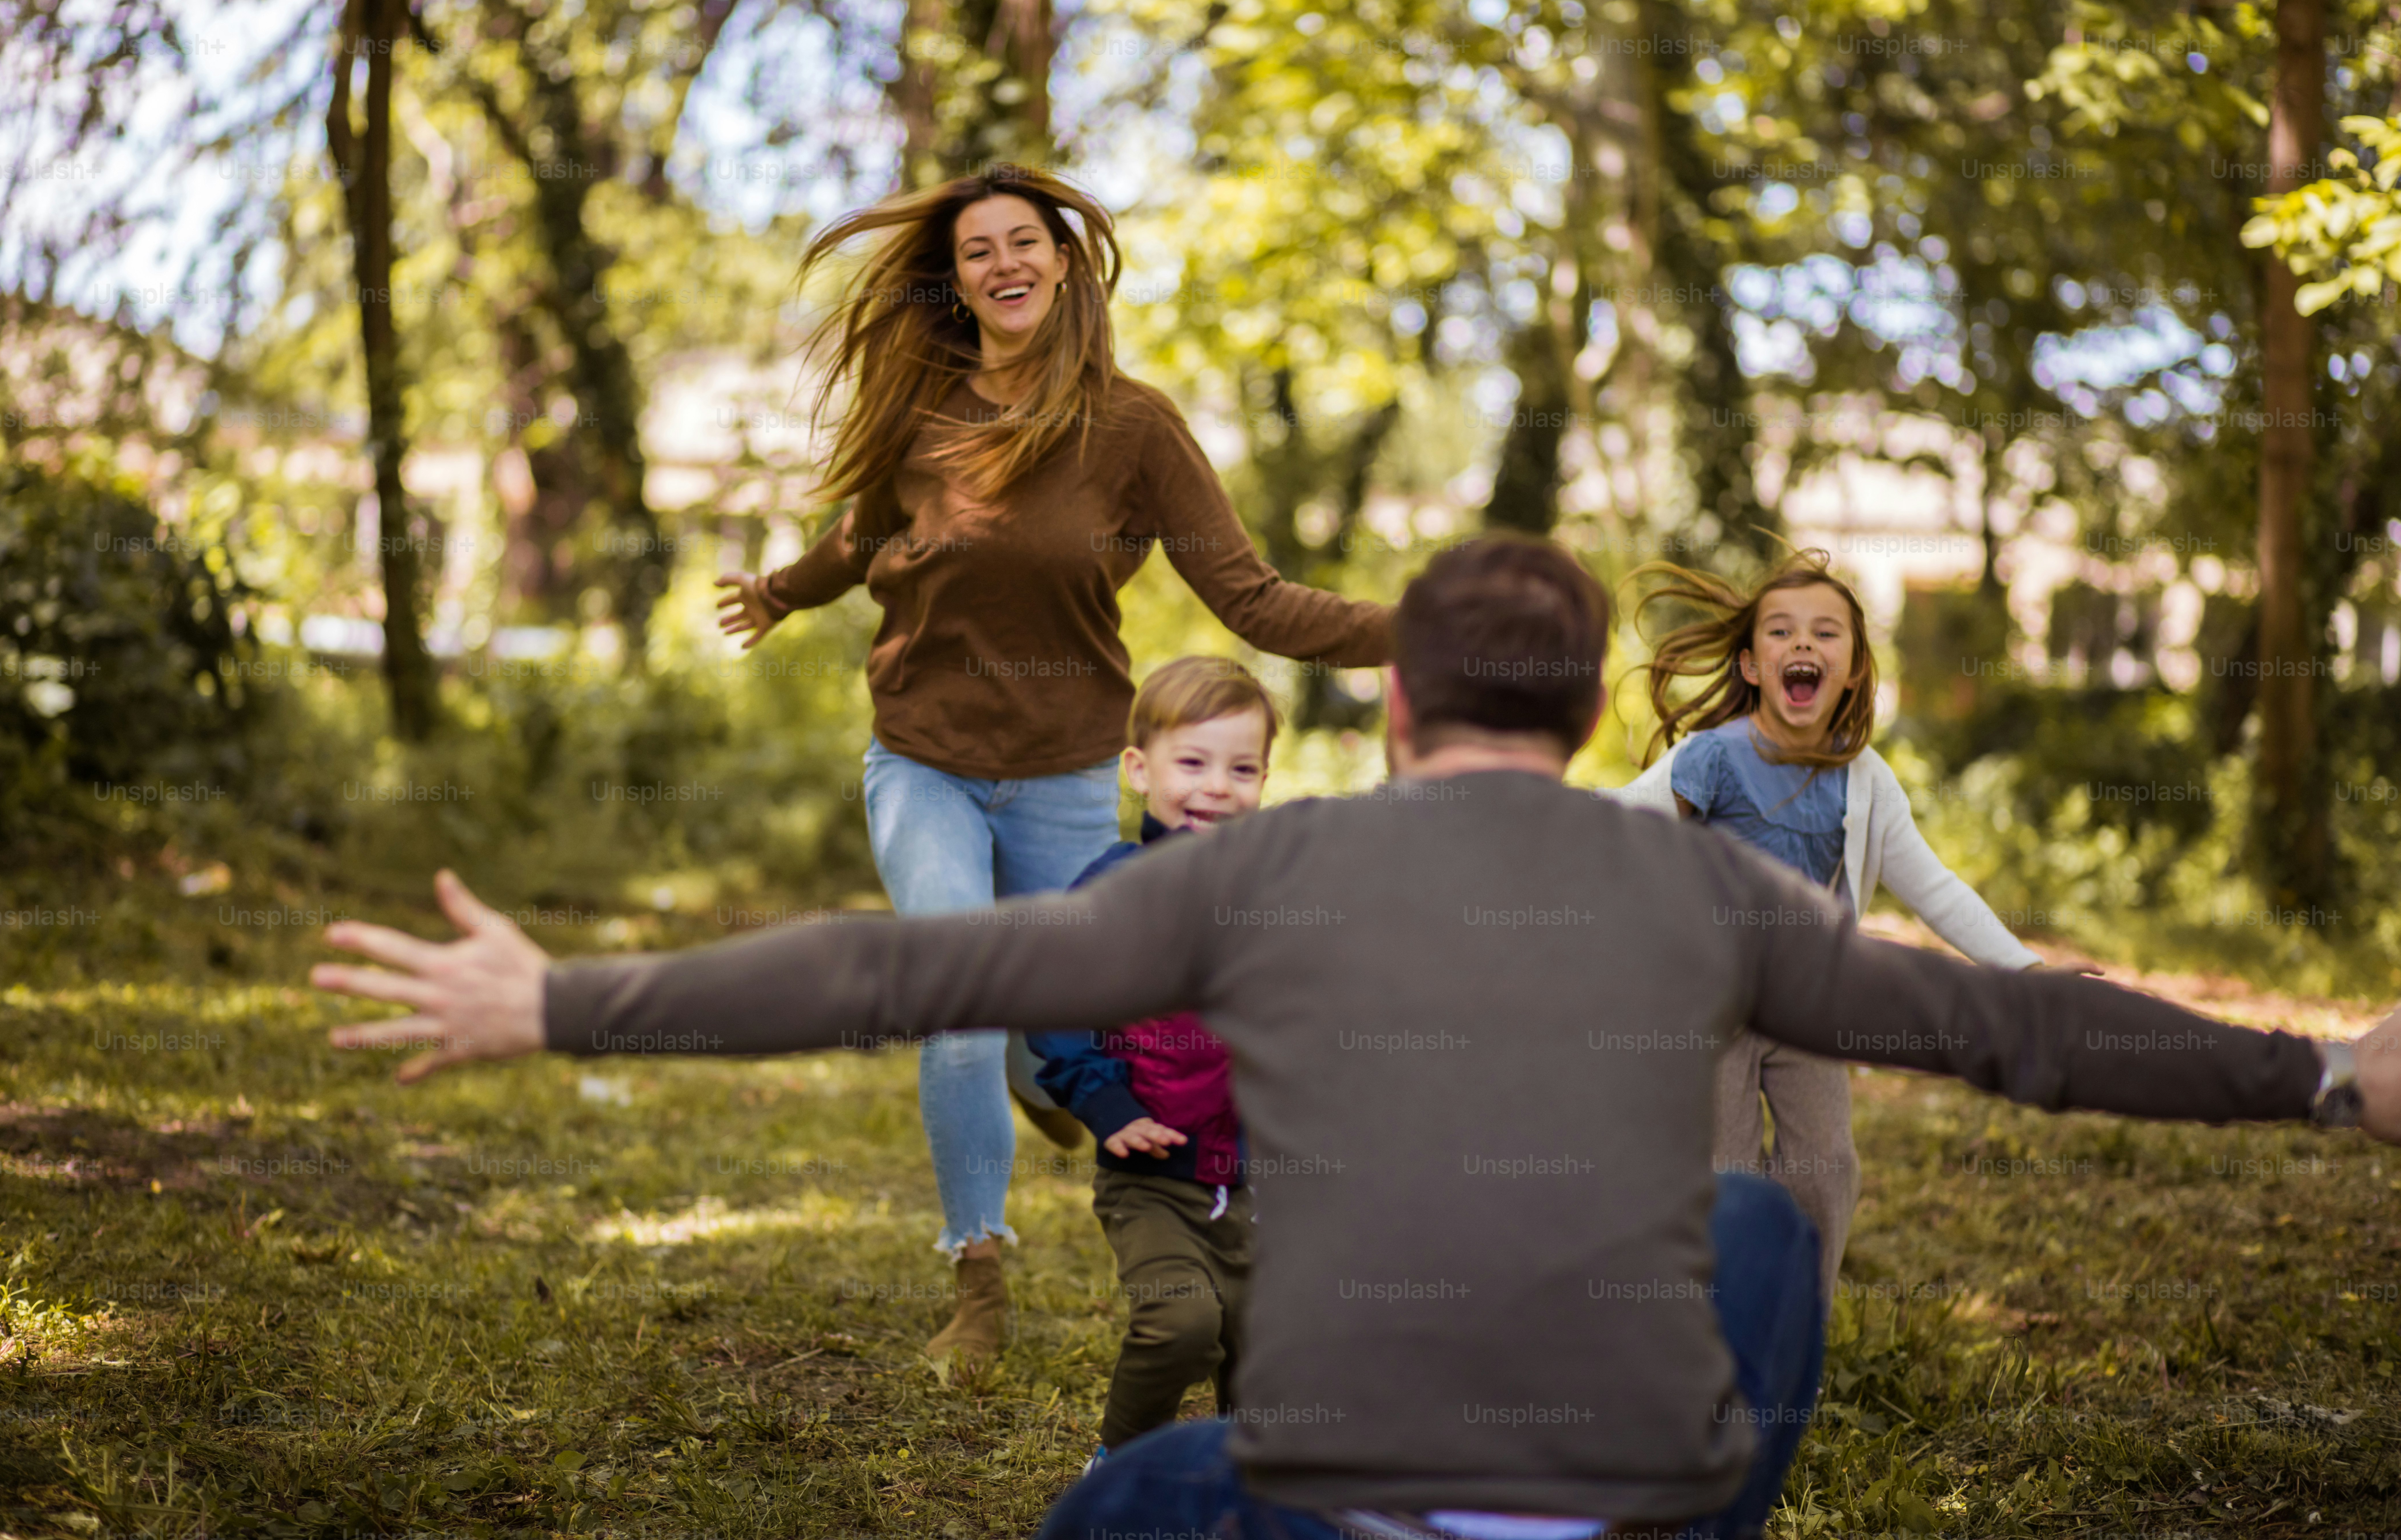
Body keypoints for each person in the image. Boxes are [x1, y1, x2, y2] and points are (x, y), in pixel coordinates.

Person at [313, 535, 2381, 1540]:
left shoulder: (1257, 877)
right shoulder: (1712, 887)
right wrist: (2321, 1071)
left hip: (1335, 1508)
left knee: (1108, 1512)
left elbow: (897, 970)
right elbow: (2018, 1027)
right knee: (1760, 1242)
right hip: (1633, 1491)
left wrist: (560, 999)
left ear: (1388, 712)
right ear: (1592, 724)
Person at [708, 165, 1389, 1363]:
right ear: (957, 280)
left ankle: (1044, 1060)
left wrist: (1413, 633)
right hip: (922, 758)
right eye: (978, 251)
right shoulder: (918, 410)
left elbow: (1253, 599)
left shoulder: (1133, 427)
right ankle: (977, 1278)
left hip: (1072, 768)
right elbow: (860, 538)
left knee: (1081, 1020)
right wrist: (775, 593)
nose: (1003, 264)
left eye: (1024, 242)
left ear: (1064, 262)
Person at [1609, 548, 2063, 1301]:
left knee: (1826, 1171)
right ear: (1752, 665)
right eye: (1781, 632)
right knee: (1721, 1181)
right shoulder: (1711, 759)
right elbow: (1624, 821)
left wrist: (2024, 971)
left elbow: (1936, 889)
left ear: (1852, 669)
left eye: (1825, 634)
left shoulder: (1863, 779)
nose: (1802, 646)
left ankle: (1793, 1334)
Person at [1027, 657, 1273, 1465]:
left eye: (1241, 768)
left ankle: (1262, 1483)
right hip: (1155, 1173)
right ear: (1140, 770)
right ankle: (1120, 1467)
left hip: (1259, 1178)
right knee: (1182, 1323)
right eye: (1192, 763)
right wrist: (1109, 1110)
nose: (1216, 786)